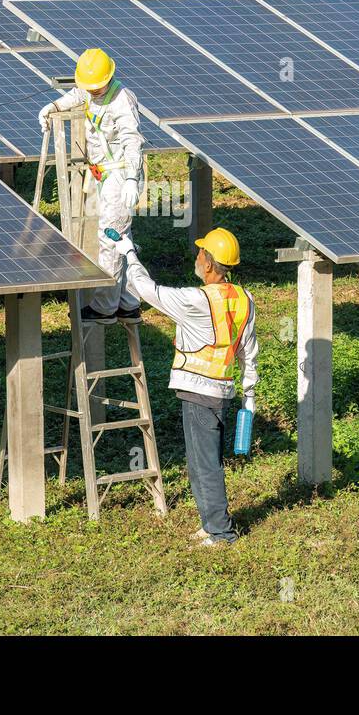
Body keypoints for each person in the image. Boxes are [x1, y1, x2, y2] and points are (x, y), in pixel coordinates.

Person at [108, 227, 258, 546]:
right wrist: (250, 395)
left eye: (200, 252)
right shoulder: (244, 299)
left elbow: (146, 289)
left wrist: (128, 252)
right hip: (222, 389)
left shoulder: (195, 301)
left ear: (208, 264)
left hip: (199, 391)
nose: (196, 256)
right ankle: (211, 523)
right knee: (201, 459)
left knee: (205, 462)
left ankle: (221, 532)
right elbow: (248, 351)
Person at [38, 48, 144, 324]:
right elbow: (78, 94)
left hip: (121, 176)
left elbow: (132, 141)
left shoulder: (122, 101)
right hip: (104, 176)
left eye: (98, 87)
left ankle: (105, 307)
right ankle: (129, 301)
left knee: (109, 239)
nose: (94, 91)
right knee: (122, 239)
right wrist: (54, 106)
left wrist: (132, 177)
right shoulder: (90, 89)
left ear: (109, 78)